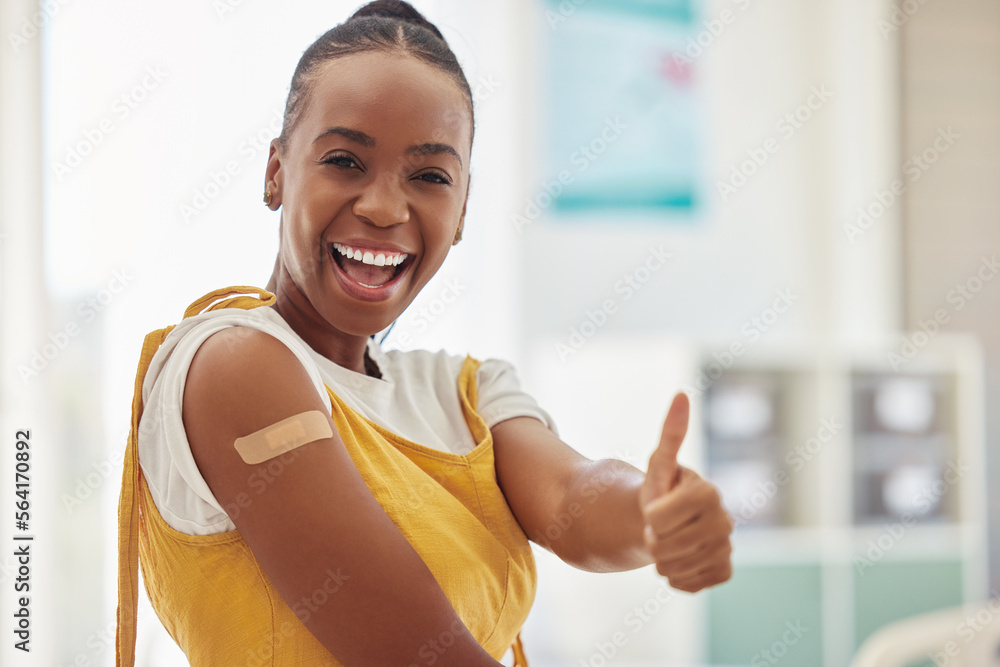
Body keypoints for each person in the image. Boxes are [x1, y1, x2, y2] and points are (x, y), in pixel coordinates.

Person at [115, 2, 734, 665]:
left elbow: (569, 497)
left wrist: (651, 511)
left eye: (430, 176)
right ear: (276, 171)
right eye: (345, 160)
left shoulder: (464, 390)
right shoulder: (233, 364)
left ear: (461, 209)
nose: (384, 206)